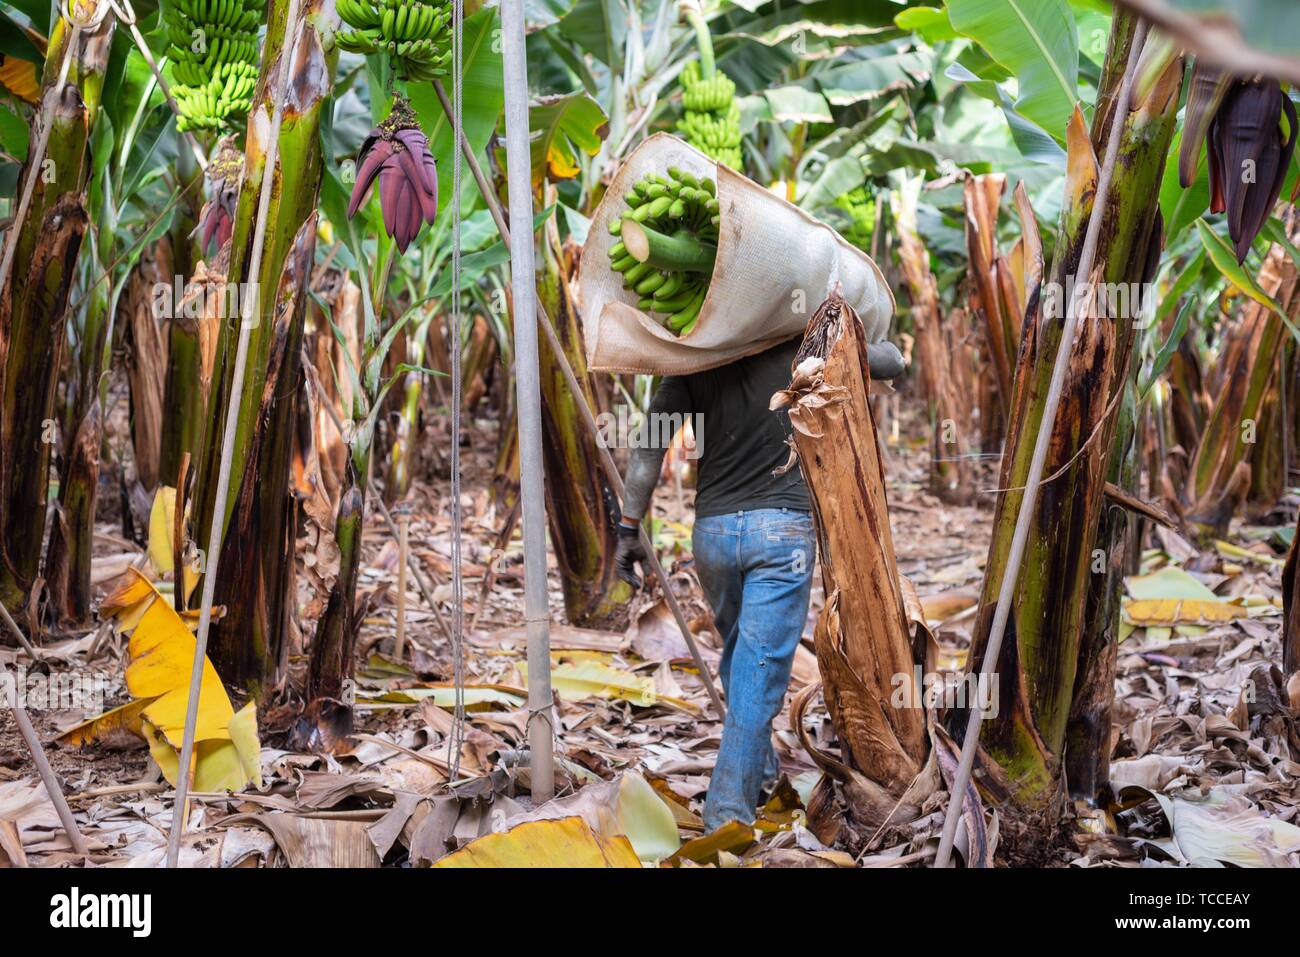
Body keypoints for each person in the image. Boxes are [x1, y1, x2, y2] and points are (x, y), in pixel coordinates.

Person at [615, 334, 903, 831]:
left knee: (740, 653)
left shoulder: (691, 357)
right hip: (783, 535)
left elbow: (648, 449)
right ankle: (727, 810)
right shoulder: (803, 343)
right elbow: (891, 360)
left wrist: (628, 527)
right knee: (759, 667)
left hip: (714, 536)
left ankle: (763, 766)